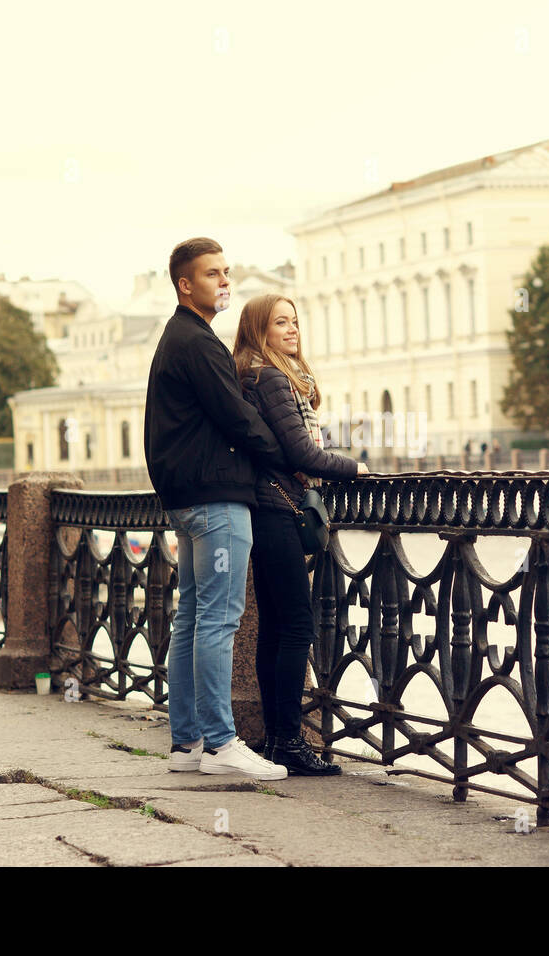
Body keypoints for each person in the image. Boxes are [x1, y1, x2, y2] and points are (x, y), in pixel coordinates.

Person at [144, 238, 291, 781]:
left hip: (188, 498)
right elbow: (238, 419)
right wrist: (285, 456)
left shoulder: (177, 337)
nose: (224, 281)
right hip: (216, 496)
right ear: (186, 285)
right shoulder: (199, 342)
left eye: (227, 272)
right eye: (212, 274)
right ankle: (222, 744)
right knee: (218, 619)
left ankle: (187, 743)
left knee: (192, 617)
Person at [233, 293, 368, 775]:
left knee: (274, 628)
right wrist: (355, 467)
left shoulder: (258, 375)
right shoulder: (270, 378)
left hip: (265, 508)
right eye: (280, 323)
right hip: (277, 509)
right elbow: (302, 454)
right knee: (296, 627)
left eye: (294, 321)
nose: (292, 330)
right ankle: (289, 740)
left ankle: (276, 739)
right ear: (259, 331)